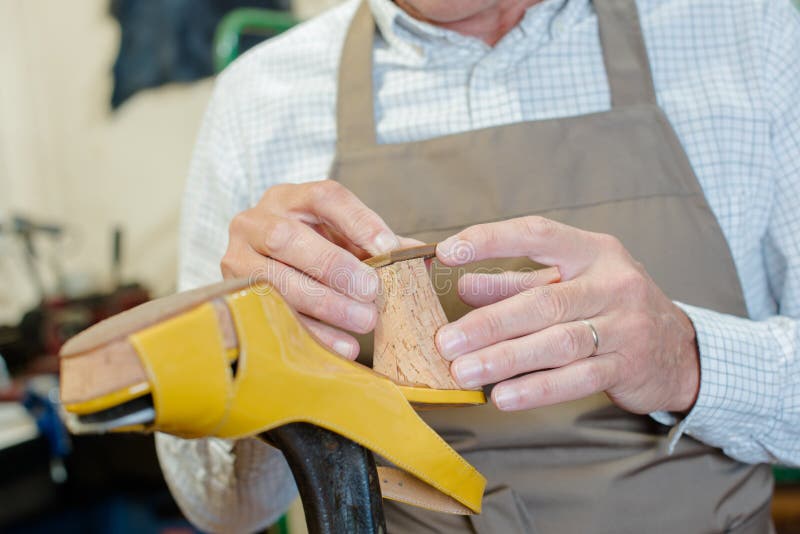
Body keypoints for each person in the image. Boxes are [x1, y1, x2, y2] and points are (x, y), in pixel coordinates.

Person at [156, 0, 800, 531]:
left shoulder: (753, 35)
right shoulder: (260, 100)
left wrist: (686, 358)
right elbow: (220, 508)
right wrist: (255, 365)